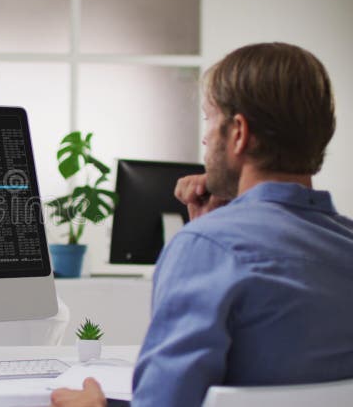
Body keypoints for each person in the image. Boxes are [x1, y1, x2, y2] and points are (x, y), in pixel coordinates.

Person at [50, 42, 353, 407]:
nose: (206, 137)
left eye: (210, 119)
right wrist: (211, 230)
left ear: (238, 132)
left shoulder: (207, 247)